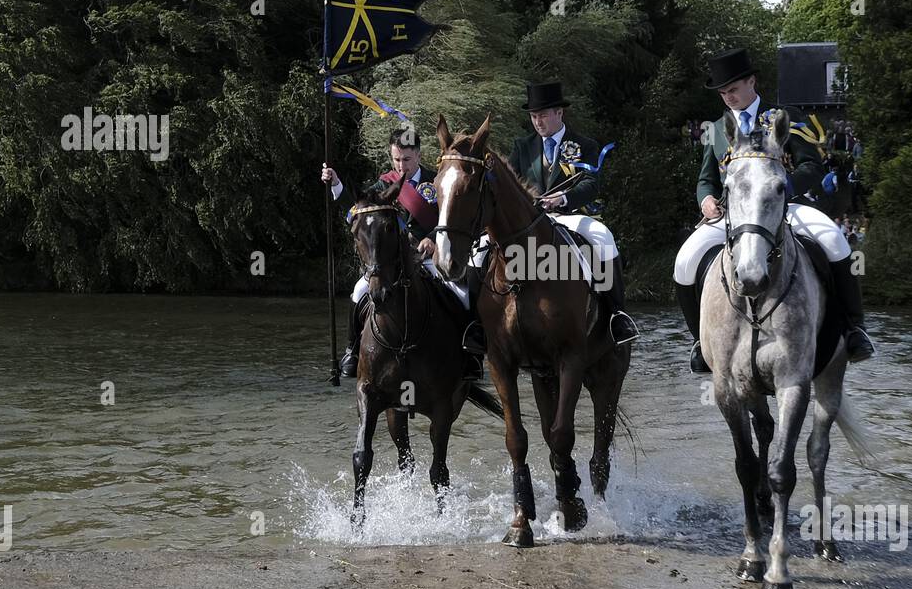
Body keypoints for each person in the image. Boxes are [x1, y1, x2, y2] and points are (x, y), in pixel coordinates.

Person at [673, 48, 875, 373]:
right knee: (684, 260)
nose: (729, 98)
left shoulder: (785, 116)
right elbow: (706, 179)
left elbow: (813, 164)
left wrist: (784, 189)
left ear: (751, 81)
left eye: (734, 90)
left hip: (786, 206)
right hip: (733, 217)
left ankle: (854, 329)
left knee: (836, 242)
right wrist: (706, 199)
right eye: (723, 93)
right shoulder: (716, 128)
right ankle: (700, 341)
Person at [462, 81, 638, 349]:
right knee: (478, 253)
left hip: (568, 214)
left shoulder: (583, 144)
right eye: (533, 116)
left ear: (559, 113)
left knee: (603, 238)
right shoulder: (523, 146)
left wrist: (563, 198)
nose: (538, 122)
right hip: (527, 220)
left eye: (543, 115)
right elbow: (509, 183)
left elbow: (592, 183)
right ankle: (475, 325)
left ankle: (617, 314)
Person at [322, 128, 478, 380]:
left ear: (417, 154)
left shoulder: (437, 179)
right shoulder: (383, 185)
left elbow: (453, 216)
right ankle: (352, 350)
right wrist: (337, 185)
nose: (401, 165)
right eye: (396, 159)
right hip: (393, 263)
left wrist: (433, 239)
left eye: (406, 159)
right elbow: (358, 210)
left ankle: (470, 353)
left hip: (431, 257)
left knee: (462, 293)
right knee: (360, 290)